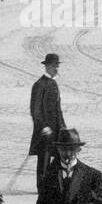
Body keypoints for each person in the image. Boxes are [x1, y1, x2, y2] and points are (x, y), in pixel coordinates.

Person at [29, 53, 65, 191]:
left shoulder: (54, 83)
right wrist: (43, 127)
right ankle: (41, 187)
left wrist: (63, 127)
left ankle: (54, 185)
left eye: (57, 65)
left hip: (57, 130)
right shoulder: (39, 85)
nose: (56, 68)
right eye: (53, 66)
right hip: (44, 131)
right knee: (44, 159)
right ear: (47, 67)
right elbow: (35, 110)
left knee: (58, 158)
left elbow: (58, 109)